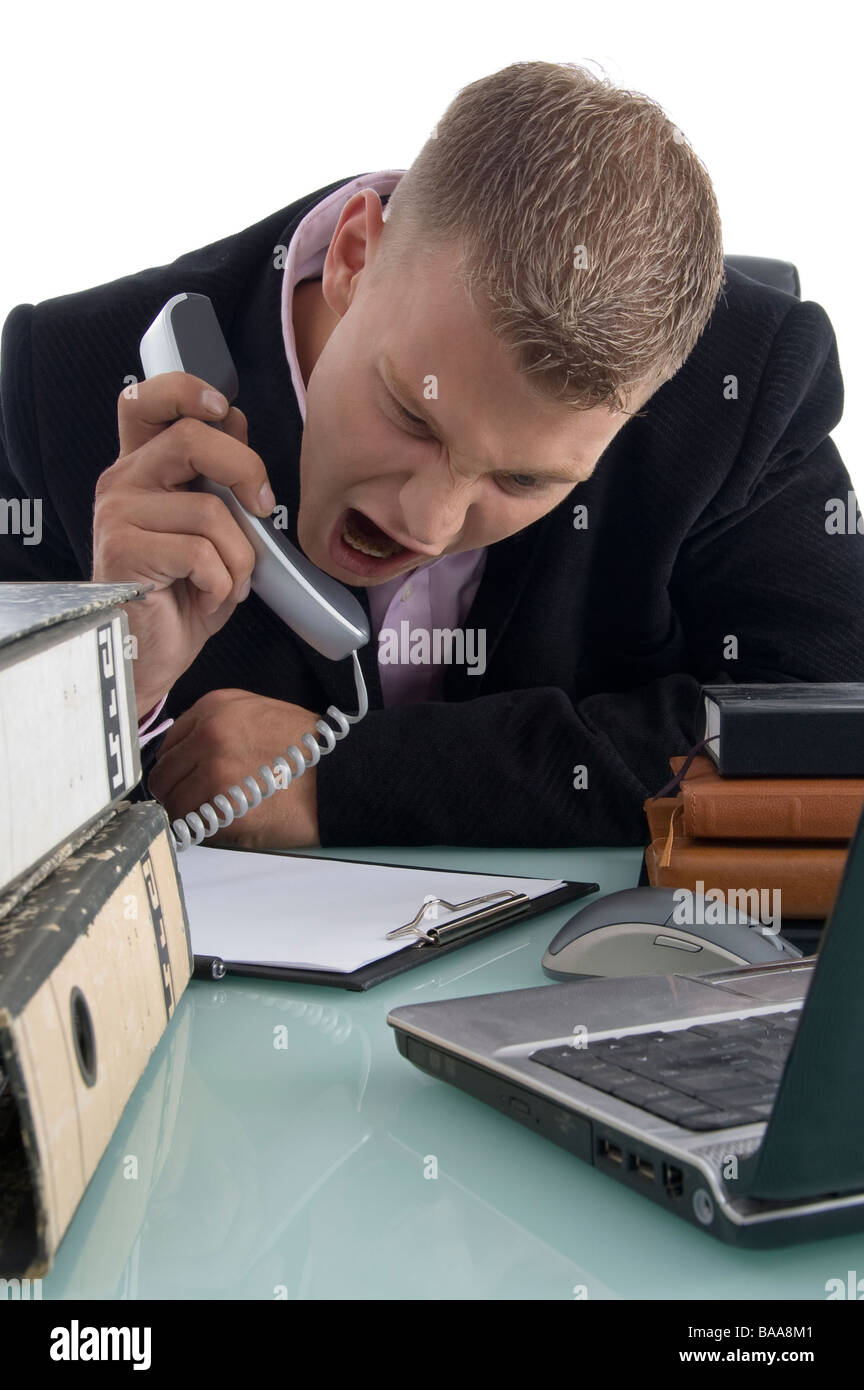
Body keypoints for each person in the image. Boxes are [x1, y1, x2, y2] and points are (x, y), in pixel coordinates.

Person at [1, 61, 863, 850]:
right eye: (414, 416)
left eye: (523, 479)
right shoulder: (60, 385)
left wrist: (342, 780)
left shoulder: (742, 388)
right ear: (352, 257)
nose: (429, 520)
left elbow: (828, 722)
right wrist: (106, 682)